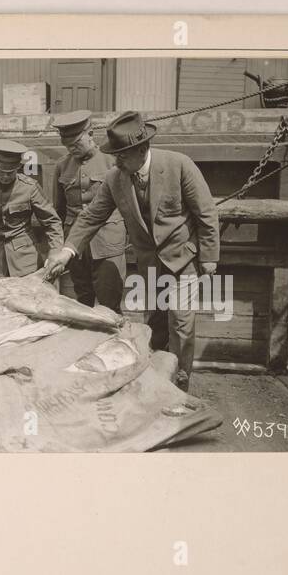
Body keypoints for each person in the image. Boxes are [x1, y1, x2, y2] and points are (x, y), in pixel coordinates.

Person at [44, 110, 219, 390]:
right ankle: (158, 380)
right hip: (150, 262)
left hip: (182, 258)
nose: (117, 160)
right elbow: (91, 217)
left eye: (122, 155)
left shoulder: (179, 165)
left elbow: (206, 213)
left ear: (141, 149)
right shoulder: (117, 178)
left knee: (181, 324)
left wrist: (209, 259)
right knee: (157, 322)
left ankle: (179, 387)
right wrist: (67, 250)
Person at [51, 109, 126, 311]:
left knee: (109, 303)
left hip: (107, 244)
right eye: (67, 145)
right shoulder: (62, 166)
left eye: (76, 144)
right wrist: (61, 245)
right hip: (77, 247)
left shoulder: (113, 161)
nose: (72, 149)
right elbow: (58, 211)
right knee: (82, 300)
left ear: (90, 134)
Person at [0, 139, 64, 281]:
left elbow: (51, 222)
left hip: (27, 262)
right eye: (1, 172)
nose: (6, 177)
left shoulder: (30, 187)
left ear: (18, 167)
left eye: (10, 172)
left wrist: (55, 252)